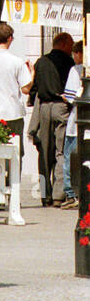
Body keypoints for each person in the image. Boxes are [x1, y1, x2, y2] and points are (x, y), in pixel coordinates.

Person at [29, 32, 75, 206]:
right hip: (61, 107)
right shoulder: (69, 63)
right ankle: (58, 194)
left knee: (44, 152)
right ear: (63, 44)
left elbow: (34, 89)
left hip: (43, 108)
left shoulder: (40, 62)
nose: (71, 49)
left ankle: (44, 194)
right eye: (70, 45)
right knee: (61, 151)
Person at [59, 42, 83, 209]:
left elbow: (70, 96)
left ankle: (71, 193)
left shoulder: (76, 70)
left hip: (76, 121)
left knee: (69, 157)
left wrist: (63, 97)